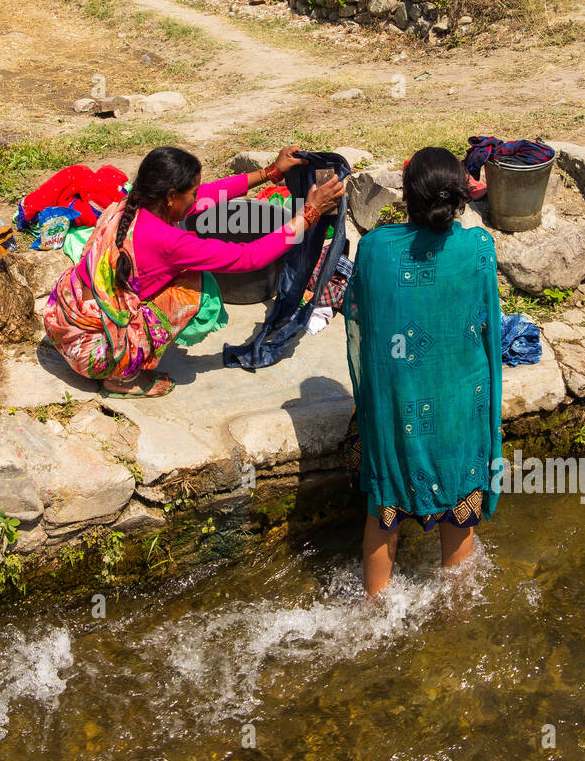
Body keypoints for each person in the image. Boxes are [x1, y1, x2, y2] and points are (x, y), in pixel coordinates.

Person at [43, 145, 345, 398]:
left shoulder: (130, 205)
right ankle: (121, 376)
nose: (197, 197)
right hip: (93, 354)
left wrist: (270, 173)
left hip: (62, 323)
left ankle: (118, 350)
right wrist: (310, 213)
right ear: (172, 196)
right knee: (196, 288)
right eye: (192, 192)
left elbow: (210, 195)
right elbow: (250, 258)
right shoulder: (168, 241)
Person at [344, 147, 503, 595]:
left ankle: (374, 610)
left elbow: (357, 315)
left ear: (407, 196)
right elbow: (487, 323)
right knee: (460, 513)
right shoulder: (478, 248)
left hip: (398, 413)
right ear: (460, 198)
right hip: (459, 410)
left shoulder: (374, 248)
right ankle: (458, 619)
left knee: (384, 509)